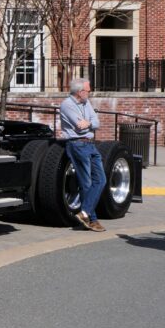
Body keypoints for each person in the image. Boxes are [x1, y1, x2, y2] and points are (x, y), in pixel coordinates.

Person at [59, 78, 106, 233]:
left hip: (90, 144)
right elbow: (79, 127)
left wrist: (89, 123)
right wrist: (88, 124)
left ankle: (84, 213)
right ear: (80, 92)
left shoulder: (86, 103)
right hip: (77, 145)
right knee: (86, 183)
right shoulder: (67, 105)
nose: (90, 92)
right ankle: (92, 219)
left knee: (101, 180)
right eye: (88, 90)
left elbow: (96, 122)